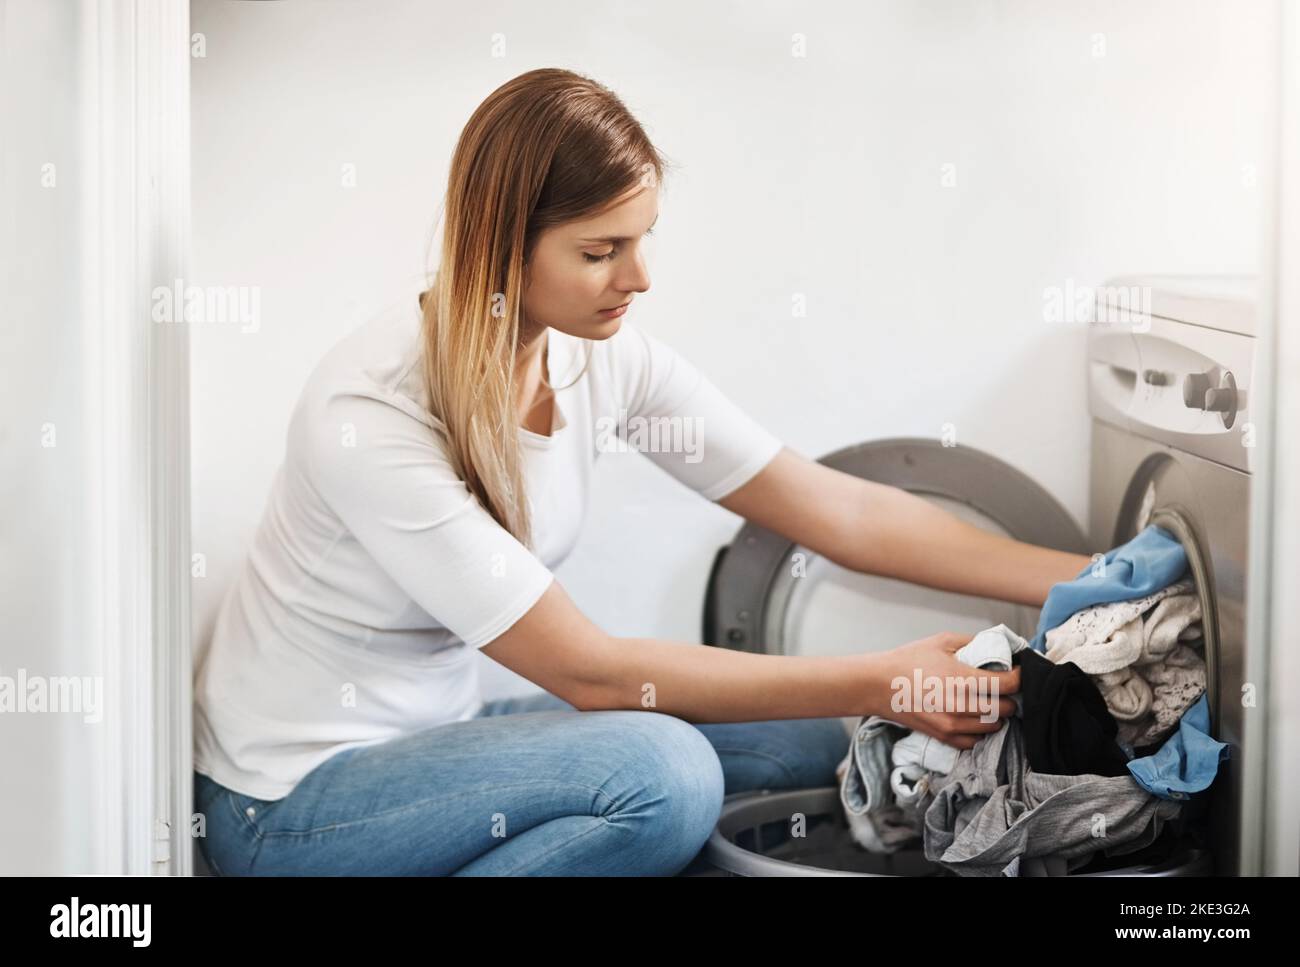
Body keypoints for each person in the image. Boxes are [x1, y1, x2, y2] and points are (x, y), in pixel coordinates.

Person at [193, 68, 1091, 876]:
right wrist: (883, 678)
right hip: (290, 801)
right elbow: (592, 673)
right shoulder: (374, 411)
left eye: (642, 237)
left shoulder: (599, 358)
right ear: (503, 245)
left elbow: (839, 514)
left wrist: (1097, 581)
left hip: (443, 740)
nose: (640, 275)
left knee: (800, 744)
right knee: (664, 780)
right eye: (600, 251)